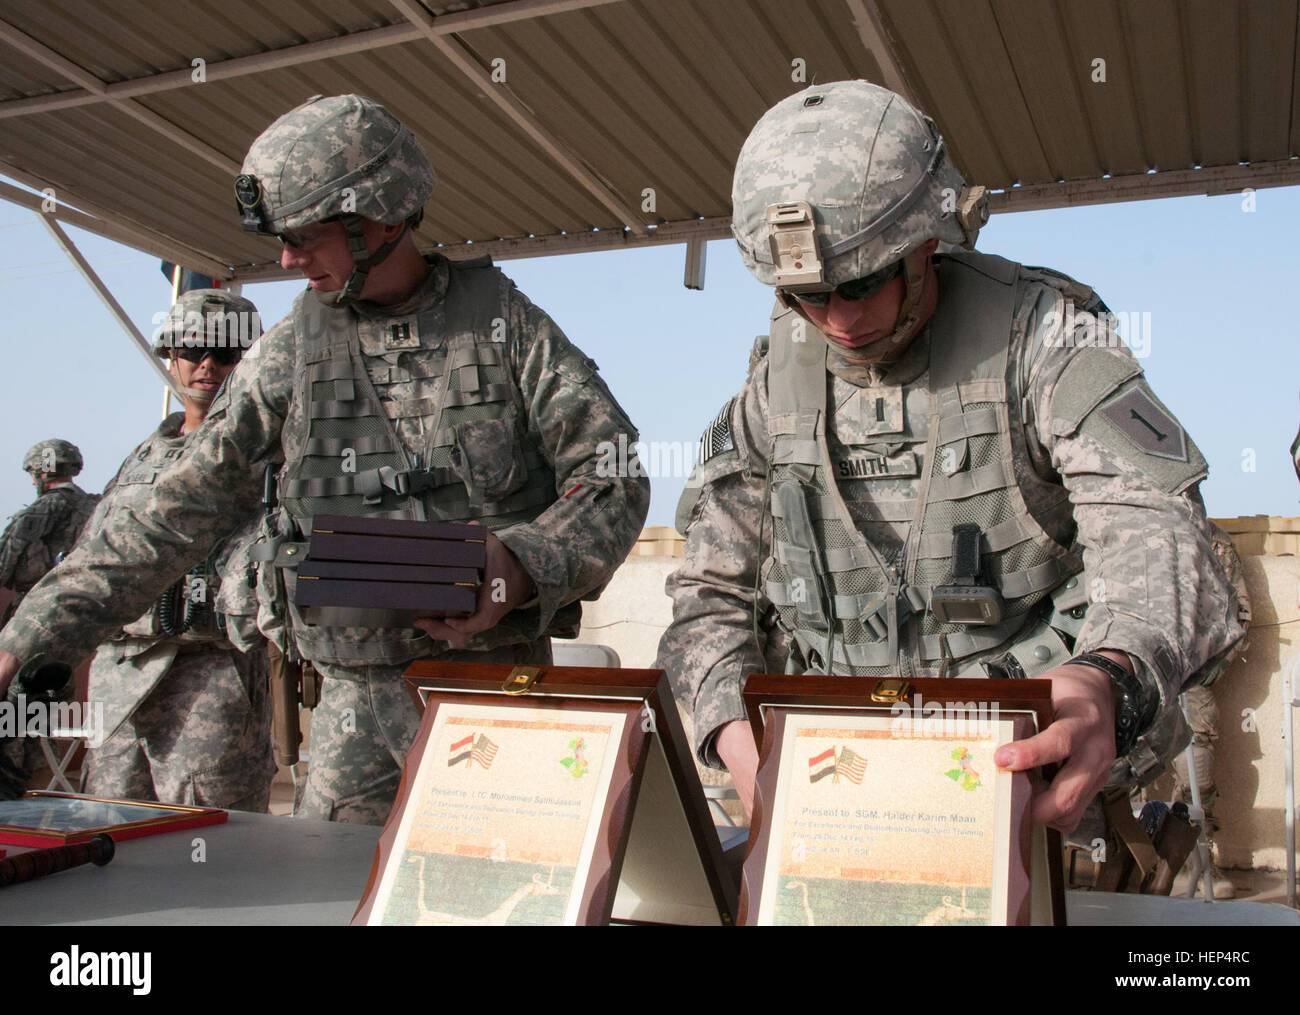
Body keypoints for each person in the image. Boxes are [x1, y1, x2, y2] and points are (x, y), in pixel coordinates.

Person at [0, 94, 649, 824]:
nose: (285, 258)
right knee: (331, 891)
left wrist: (519, 563)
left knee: (505, 881)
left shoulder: (505, 325)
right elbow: (172, 510)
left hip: (496, 693)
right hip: (352, 712)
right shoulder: (290, 350)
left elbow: (615, 474)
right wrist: (27, 640)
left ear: (382, 216)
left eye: (304, 234)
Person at [657, 81, 1245, 833]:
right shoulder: (776, 388)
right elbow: (708, 591)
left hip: (1028, 789)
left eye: (863, 282)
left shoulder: (1042, 340)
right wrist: (730, 731)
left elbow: (1155, 525)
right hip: (839, 788)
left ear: (929, 240)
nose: (838, 318)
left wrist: (1109, 678)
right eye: (806, 293)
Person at [80, 289, 276, 811]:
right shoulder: (144, 456)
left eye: (226, 354)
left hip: (210, 672)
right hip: (120, 674)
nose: (207, 365)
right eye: (192, 351)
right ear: (171, 356)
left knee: (210, 830)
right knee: (110, 823)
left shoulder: (273, 453)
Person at [0, 440, 99, 619]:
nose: (32, 482)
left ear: (44, 471)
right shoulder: (96, 506)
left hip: (37, 606)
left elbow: (6, 557)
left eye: (33, 473)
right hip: (85, 605)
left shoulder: (44, 507)